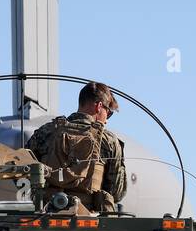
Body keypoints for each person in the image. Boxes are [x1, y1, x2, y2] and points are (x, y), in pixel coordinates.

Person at [26, 81, 127, 213]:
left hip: (47, 215)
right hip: (90, 220)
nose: (106, 119)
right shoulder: (109, 140)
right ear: (99, 106)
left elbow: (22, 169)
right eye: (108, 112)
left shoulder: (45, 132)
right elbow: (116, 192)